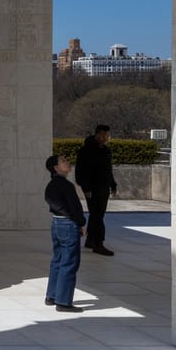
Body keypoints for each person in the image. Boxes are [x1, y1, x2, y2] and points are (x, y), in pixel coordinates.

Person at [44, 154, 86, 312]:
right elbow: (74, 208)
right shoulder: (66, 185)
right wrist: (81, 223)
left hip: (56, 223)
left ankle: (52, 296)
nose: (67, 163)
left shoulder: (51, 185)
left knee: (58, 260)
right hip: (68, 225)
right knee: (69, 262)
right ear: (55, 167)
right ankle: (63, 301)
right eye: (63, 161)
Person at [74, 124, 117, 256]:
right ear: (97, 134)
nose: (106, 138)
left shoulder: (106, 150)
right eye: (103, 135)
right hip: (92, 188)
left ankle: (90, 240)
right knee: (97, 215)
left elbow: (108, 170)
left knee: (97, 215)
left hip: (104, 187)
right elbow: (80, 171)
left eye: (107, 135)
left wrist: (113, 184)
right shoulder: (85, 151)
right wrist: (86, 188)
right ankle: (98, 243)